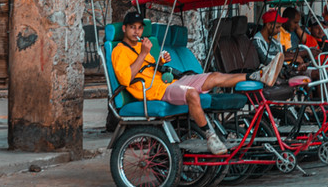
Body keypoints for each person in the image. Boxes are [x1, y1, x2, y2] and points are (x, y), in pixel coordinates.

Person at [111, 10, 283, 154]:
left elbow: (150, 68)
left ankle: (258, 75)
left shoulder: (141, 46)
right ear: (124, 28)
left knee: (214, 77)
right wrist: (143, 54)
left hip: (168, 83)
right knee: (192, 94)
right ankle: (210, 136)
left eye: (140, 28)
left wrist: (161, 60)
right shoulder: (119, 51)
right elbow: (126, 79)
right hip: (154, 92)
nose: (136, 32)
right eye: (132, 28)